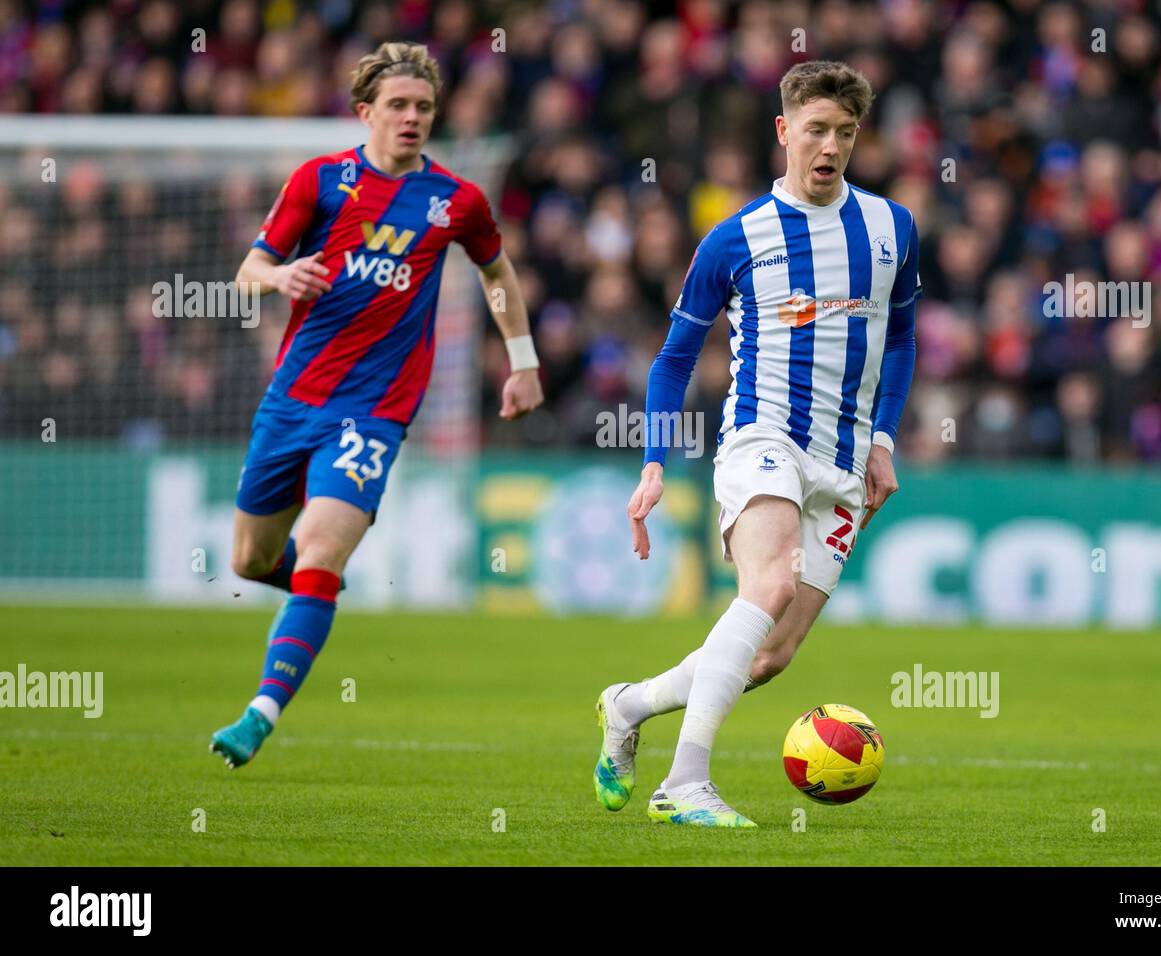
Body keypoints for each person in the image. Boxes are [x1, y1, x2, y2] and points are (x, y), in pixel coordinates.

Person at [595, 60, 921, 826]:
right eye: (816, 129)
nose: (830, 145)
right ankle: (685, 784)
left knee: (768, 657)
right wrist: (652, 464)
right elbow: (675, 357)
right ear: (784, 132)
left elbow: (900, 338)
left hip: (843, 461)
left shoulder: (892, 228)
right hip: (761, 435)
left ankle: (628, 706)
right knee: (767, 586)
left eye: (845, 131)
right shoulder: (735, 238)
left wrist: (881, 441)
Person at [210, 41, 542, 769]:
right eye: (398, 105)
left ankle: (259, 714)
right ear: (366, 112)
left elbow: (498, 272)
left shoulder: (456, 200)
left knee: (322, 548)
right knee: (248, 560)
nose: (413, 118)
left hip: (375, 412)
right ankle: (313, 589)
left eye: (424, 107)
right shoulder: (320, 181)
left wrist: (522, 361)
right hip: (292, 401)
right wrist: (281, 275)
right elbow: (247, 269)